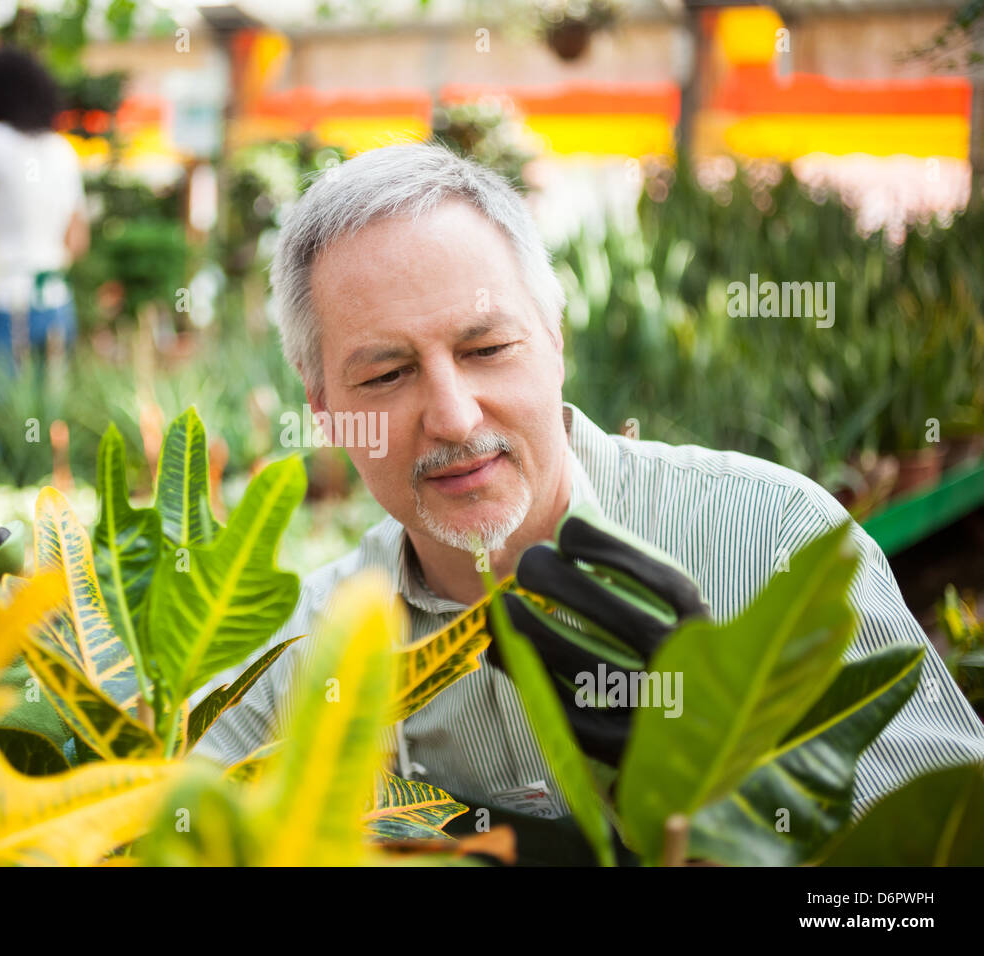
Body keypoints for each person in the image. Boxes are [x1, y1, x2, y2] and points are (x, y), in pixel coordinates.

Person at [190, 142, 984, 824]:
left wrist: (737, 793)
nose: (456, 418)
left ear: (555, 342)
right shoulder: (299, 659)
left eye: (488, 348)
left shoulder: (777, 543)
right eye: (389, 373)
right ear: (327, 412)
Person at [0, 46, 90, 393]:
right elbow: (77, 242)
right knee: (47, 423)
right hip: (56, 303)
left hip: (4, 304)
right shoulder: (61, 149)